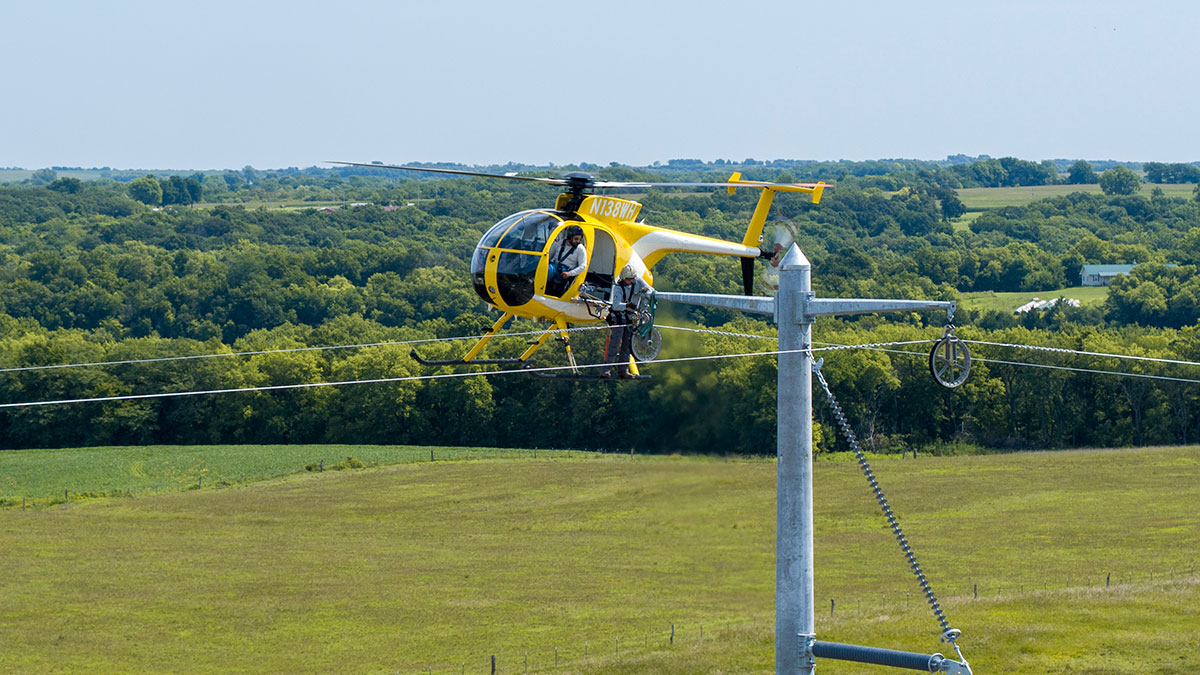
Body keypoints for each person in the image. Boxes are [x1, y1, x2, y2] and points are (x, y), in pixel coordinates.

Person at [602, 264, 654, 378]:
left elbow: (651, 290)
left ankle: (623, 370)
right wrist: (627, 305)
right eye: (629, 279)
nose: (631, 281)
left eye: (632, 279)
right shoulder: (618, 288)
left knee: (627, 344)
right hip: (618, 317)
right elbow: (616, 305)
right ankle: (606, 370)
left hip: (630, 317)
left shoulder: (638, 281)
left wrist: (646, 290)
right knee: (615, 343)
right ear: (623, 278)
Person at [546, 225, 587, 297]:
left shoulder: (580, 249)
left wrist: (569, 273)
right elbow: (548, 256)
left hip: (565, 272)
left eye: (579, 239)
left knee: (550, 269)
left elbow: (583, 266)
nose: (577, 241)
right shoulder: (560, 243)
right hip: (555, 266)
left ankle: (546, 288)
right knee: (545, 266)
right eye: (576, 239)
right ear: (569, 237)